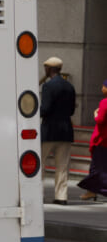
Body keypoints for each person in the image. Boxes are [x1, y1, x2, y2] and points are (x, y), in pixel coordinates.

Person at [40, 56, 76, 205]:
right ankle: (61, 196)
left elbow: (45, 109)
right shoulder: (70, 87)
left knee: (40, 164)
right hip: (66, 130)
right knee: (62, 166)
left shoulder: (48, 86)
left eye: (45, 68)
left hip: (49, 130)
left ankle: (38, 194)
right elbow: (72, 110)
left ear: (49, 69)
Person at [77, 80, 107, 201]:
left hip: (102, 140)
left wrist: (95, 114)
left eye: (103, 86)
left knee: (96, 167)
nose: (102, 88)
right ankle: (91, 191)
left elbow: (100, 120)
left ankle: (92, 191)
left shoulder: (104, 102)